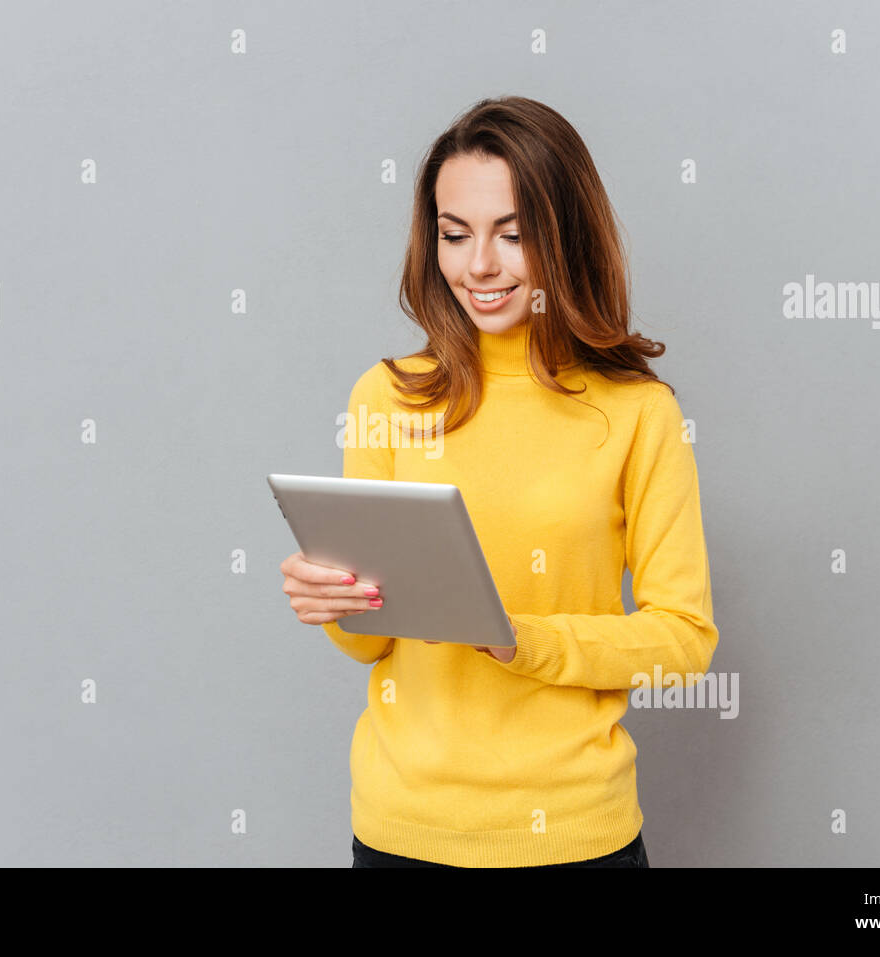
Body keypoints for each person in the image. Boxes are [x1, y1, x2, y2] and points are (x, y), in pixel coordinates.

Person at [278, 96, 718, 868]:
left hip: (576, 832)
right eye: (455, 235)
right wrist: (335, 601)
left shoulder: (640, 413)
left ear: (566, 237)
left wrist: (525, 640)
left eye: (512, 235)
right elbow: (370, 643)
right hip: (402, 829)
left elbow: (683, 640)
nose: (478, 265)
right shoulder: (385, 396)